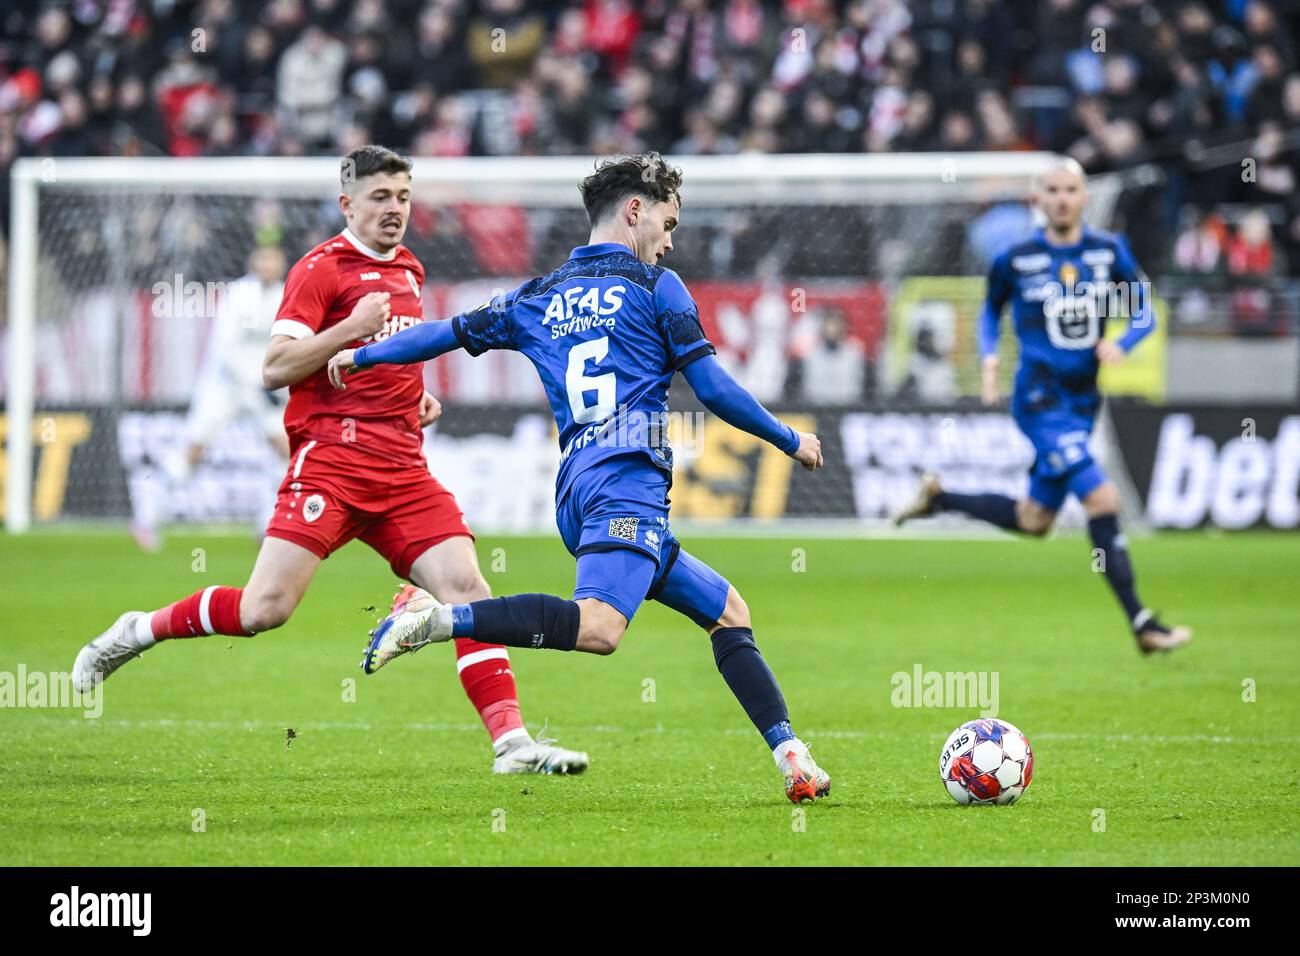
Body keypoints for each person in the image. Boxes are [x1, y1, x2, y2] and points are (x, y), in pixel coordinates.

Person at [328, 152, 832, 804]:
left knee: (727, 609)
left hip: (576, 490)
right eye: (668, 222)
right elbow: (710, 385)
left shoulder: (537, 296)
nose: (670, 240)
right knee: (599, 628)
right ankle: (438, 618)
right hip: (627, 482)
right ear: (634, 211)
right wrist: (791, 439)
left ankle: (793, 757)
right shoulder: (657, 287)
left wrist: (361, 354)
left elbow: (440, 334)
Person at [73, 145, 588, 776]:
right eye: (379, 197)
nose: (394, 209)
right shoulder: (320, 270)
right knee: (265, 610)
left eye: (402, 197)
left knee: (466, 591)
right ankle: (138, 630)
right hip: (332, 466)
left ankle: (512, 744)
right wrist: (349, 328)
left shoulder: (411, 270)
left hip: (402, 469)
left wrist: (415, 392)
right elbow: (275, 369)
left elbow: (386, 355)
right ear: (347, 203)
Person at [895, 157, 1191, 655]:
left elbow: (1145, 306)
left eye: (1069, 189)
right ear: (1038, 199)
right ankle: (1143, 622)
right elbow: (990, 309)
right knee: (1103, 499)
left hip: (1082, 403)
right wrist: (989, 356)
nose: (1059, 198)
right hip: (1038, 401)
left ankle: (941, 497)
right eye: (1050, 189)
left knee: (1035, 520)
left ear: (1082, 197)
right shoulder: (1016, 259)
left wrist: (1125, 342)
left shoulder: (1107, 251)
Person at [132, 245, 290, 552]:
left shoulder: (285, 296)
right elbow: (224, 350)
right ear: (253, 261)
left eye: (274, 258)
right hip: (224, 388)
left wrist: (278, 386)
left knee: (288, 453)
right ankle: (146, 518)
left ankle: (267, 527)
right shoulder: (238, 295)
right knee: (193, 452)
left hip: (263, 390)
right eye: (263, 258)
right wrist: (258, 384)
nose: (269, 264)